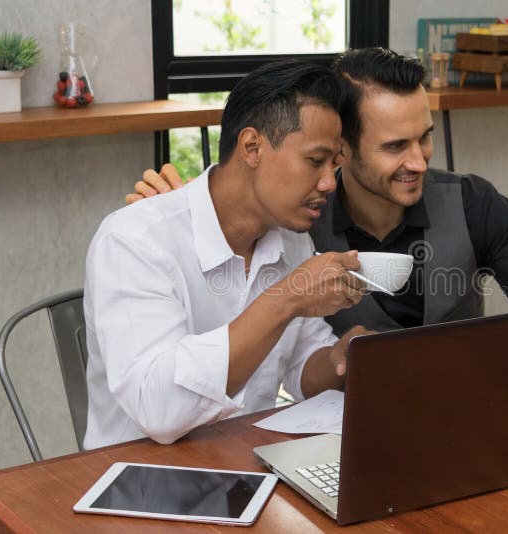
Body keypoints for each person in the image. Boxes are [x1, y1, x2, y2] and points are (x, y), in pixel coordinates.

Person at [128, 48, 508, 356]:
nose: (419, 160)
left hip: (462, 426)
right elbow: (224, 275)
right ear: (342, 149)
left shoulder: (474, 204)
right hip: (337, 437)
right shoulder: (296, 220)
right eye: (394, 145)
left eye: (425, 136)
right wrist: (184, 211)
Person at [84, 60, 369, 450]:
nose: (327, 183)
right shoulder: (135, 240)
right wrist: (287, 298)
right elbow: (158, 412)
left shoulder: (291, 239)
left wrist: (341, 358)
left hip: (243, 466)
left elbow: (301, 365)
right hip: (138, 477)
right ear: (252, 147)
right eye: (315, 161)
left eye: (333, 165)